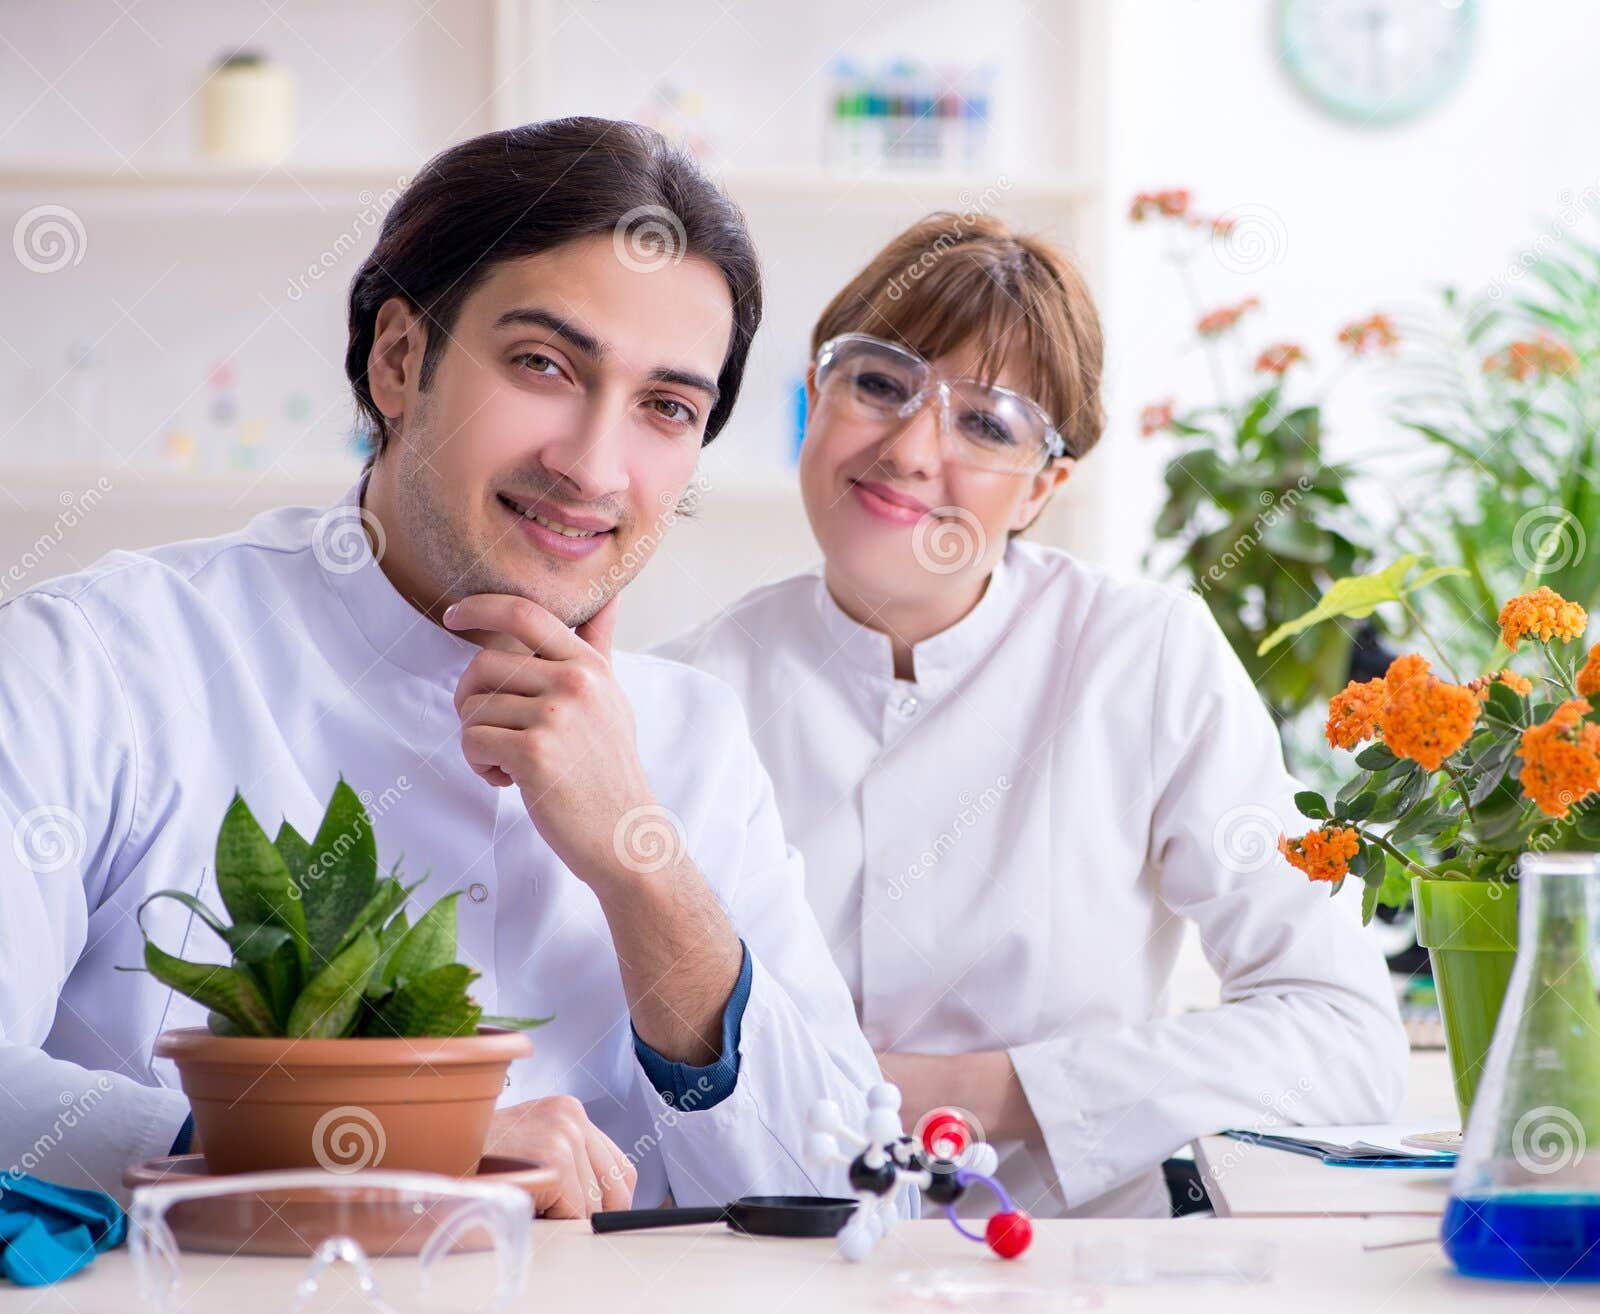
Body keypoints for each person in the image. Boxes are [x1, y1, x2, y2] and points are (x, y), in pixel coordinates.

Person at [0, 118, 884, 1216]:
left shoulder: (692, 740)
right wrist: (362, 1154)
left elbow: (857, 1199)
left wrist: (640, 868)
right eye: (543, 365)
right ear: (399, 358)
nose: (591, 466)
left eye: (666, 407)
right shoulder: (102, 660)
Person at [656, 213, 1409, 1217]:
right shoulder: (687, 693)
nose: (913, 448)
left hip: (1076, 1288)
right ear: (813, 396)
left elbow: (1342, 1039)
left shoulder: (1144, 660)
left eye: (985, 424)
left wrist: (972, 1094)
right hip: (760, 1282)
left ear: (1041, 487)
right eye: (878, 383)